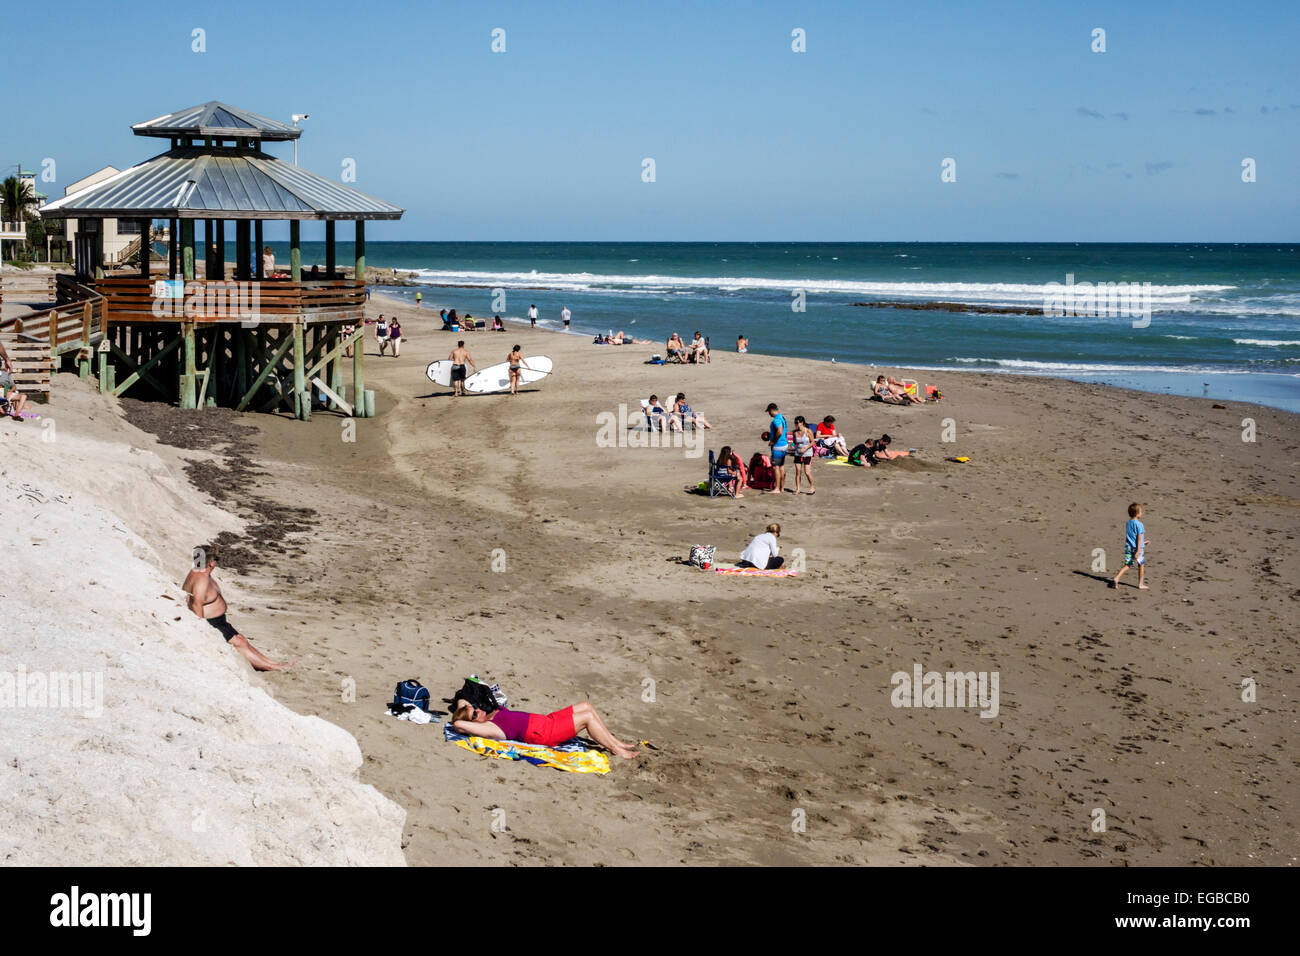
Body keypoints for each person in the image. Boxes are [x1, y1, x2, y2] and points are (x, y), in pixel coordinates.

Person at [183, 544, 290, 671]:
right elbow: (196, 603)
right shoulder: (201, 579)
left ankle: (272, 663)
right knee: (239, 643)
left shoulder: (201, 572)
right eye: (216, 559)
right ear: (211, 563)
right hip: (211, 623)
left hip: (219, 620)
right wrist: (201, 629)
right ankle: (270, 667)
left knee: (241, 639)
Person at [451, 698, 638, 759]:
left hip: (547, 721)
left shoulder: (488, 715)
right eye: (474, 714)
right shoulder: (489, 727)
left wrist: (465, 709)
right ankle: (615, 749)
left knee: (586, 706)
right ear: (473, 724)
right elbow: (458, 724)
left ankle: (615, 741)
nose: (477, 710)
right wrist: (465, 720)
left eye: (474, 708)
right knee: (587, 718)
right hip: (543, 734)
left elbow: (462, 702)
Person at [1111, 503, 1149, 590]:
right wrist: (1139, 550)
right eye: (1141, 512)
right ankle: (1141, 584)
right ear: (1137, 514)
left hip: (1129, 547)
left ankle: (1117, 577)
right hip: (1137, 548)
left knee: (1128, 565)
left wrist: (1144, 543)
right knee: (1141, 564)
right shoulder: (1140, 525)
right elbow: (1138, 539)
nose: (1142, 513)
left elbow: (1133, 536)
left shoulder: (1128, 523)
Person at [765, 403, 788, 494]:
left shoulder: (776, 420)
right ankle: (782, 487)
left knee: (776, 467)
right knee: (781, 466)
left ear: (771, 410)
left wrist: (773, 441)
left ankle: (777, 488)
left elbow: (780, 431)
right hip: (784, 444)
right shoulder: (782, 417)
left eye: (769, 412)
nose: (769, 414)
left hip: (778, 445)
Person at [790, 416, 816, 494]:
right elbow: (794, 442)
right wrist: (792, 446)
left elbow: (812, 442)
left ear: (802, 423)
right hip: (798, 453)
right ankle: (798, 489)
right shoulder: (795, 433)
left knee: (807, 472)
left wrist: (805, 448)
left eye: (798, 423)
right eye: (796, 423)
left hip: (807, 454)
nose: (797, 424)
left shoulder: (808, 431)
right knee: (798, 472)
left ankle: (812, 487)